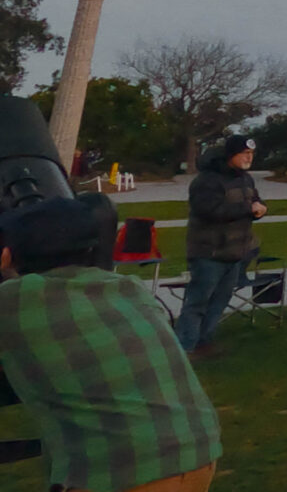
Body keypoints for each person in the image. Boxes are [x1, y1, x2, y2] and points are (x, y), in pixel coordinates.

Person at [0, 197, 224, 492]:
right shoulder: (128, 287)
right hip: (197, 448)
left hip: (121, 468)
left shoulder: (11, 302)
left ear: (7, 255)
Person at [176, 135, 266, 353]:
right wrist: (247, 210)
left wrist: (259, 208)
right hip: (209, 253)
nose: (249, 158)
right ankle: (183, 348)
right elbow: (209, 211)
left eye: (251, 154)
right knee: (197, 303)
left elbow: (254, 201)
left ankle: (204, 342)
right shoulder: (207, 181)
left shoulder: (246, 179)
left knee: (219, 302)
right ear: (230, 155)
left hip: (236, 252)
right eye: (244, 153)